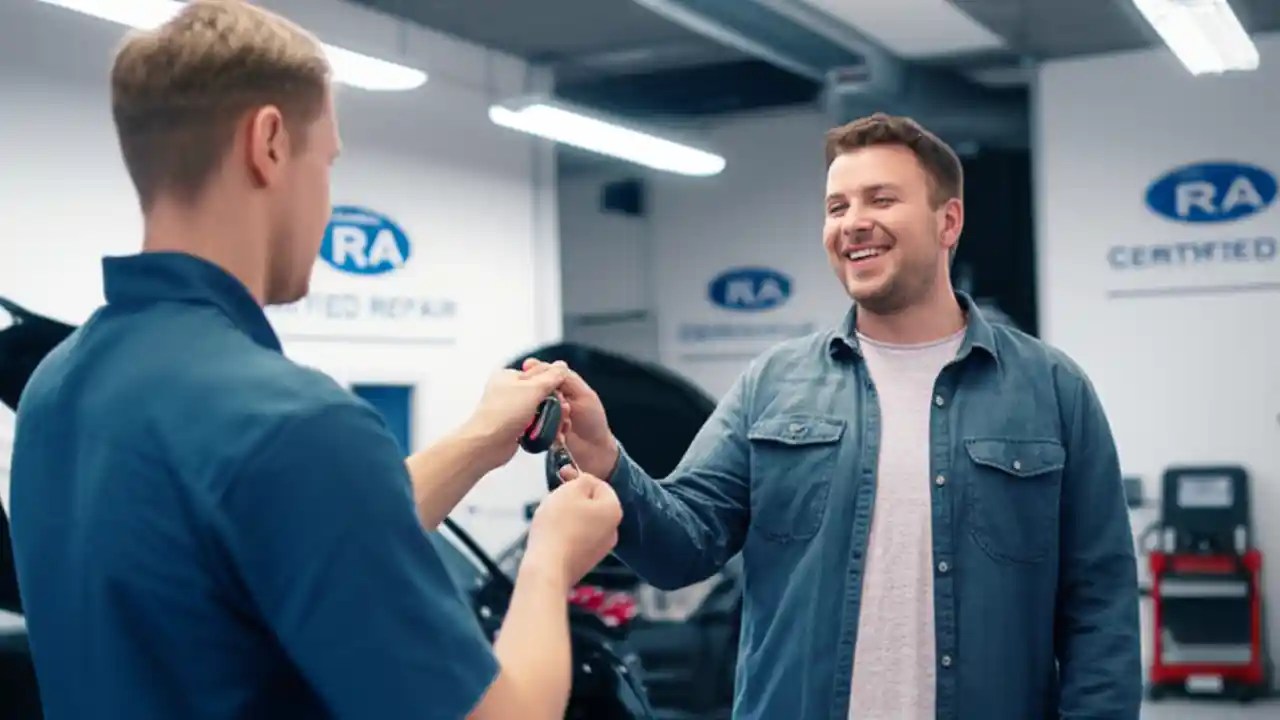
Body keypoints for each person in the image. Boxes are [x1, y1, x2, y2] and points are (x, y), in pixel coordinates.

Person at [7, 2, 622, 719]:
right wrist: (551, 560)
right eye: (326, 162)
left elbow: (289, 534)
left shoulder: (57, 384)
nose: (328, 202)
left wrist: (481, 442)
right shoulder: (295, 420)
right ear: (268, 143)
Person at [536, 113, 1142, 719]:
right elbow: (681, 547)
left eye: (881, 199)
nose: (853, 223)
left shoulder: (1052, 389)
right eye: (837, 206)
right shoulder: (773, 385)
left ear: (947, 221)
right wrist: (605, 459)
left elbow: (1100, 606)